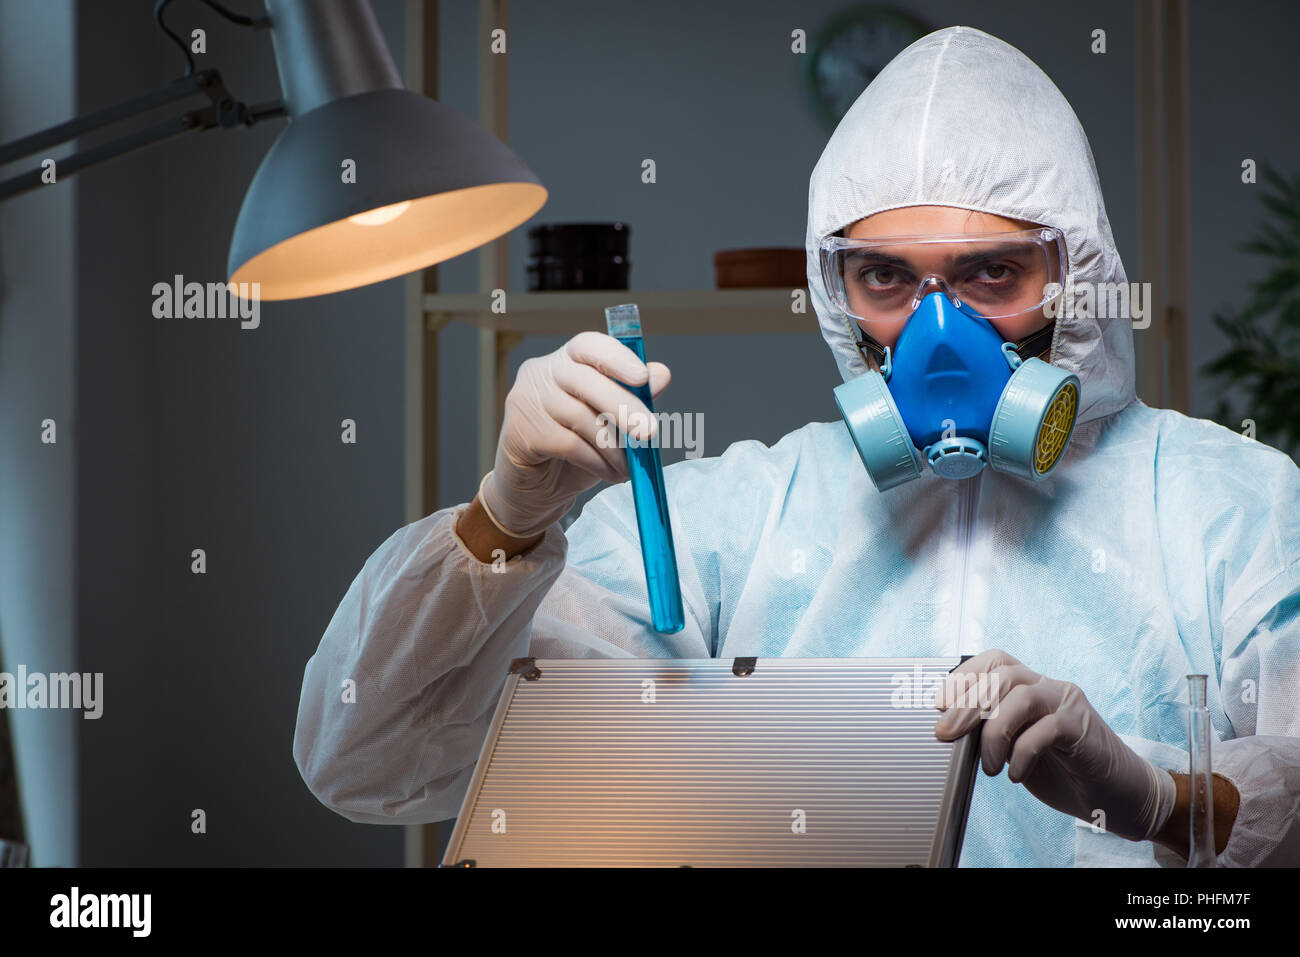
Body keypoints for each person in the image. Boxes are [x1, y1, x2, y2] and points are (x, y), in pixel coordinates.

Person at [292, 26, 1300, 866]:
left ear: (1072, 276)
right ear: (837, 295)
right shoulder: (730, 522)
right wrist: (504, 519)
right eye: (887, 279)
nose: (936, 334)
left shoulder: (1235, 506)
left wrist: (1165, 801)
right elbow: (368, 762)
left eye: (994, 272)